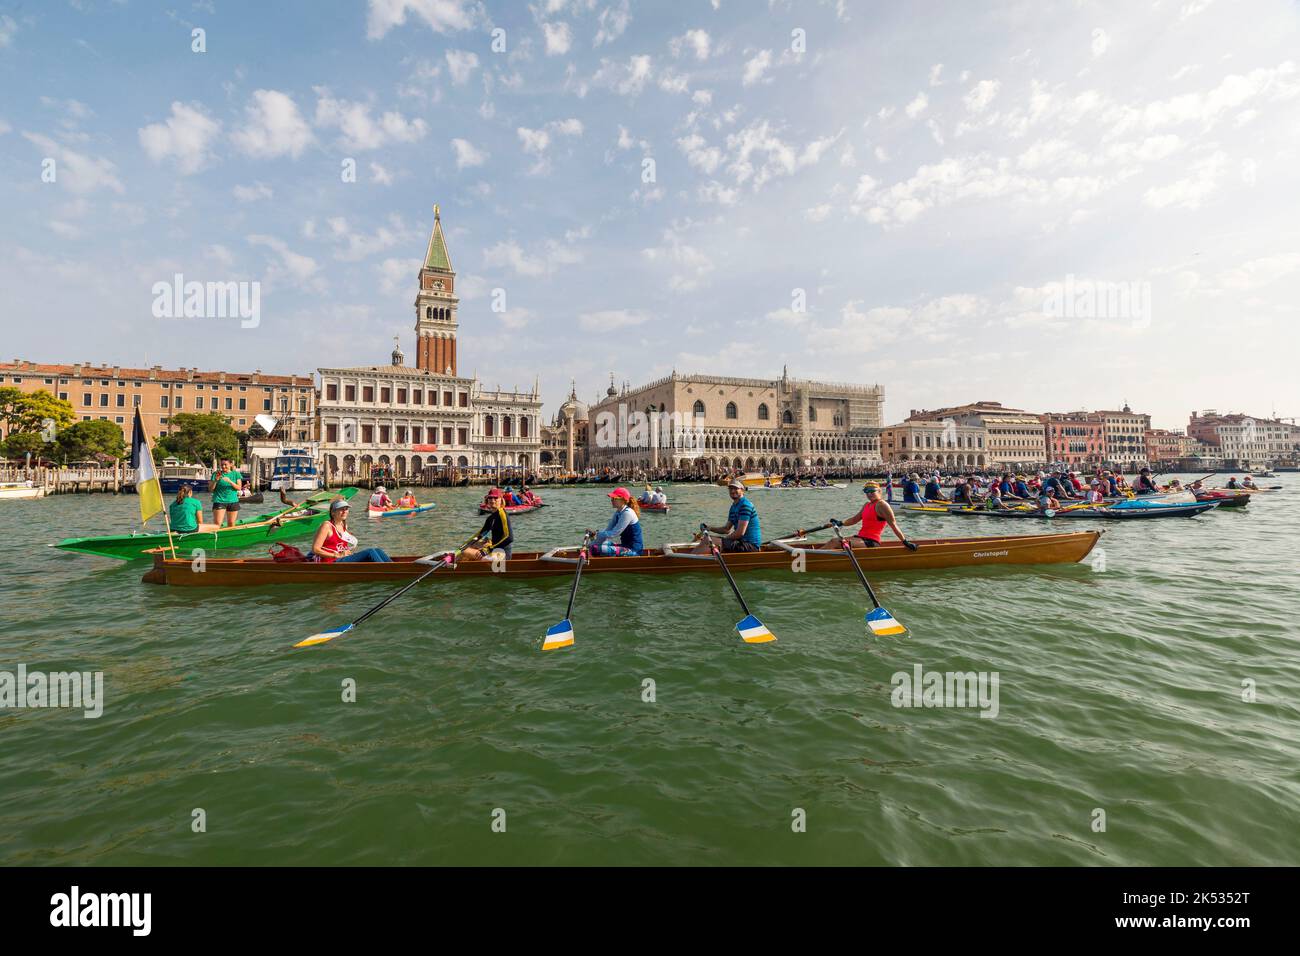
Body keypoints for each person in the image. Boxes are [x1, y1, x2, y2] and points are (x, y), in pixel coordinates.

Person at [823, 483, 918, 550]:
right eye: (866, 491)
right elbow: (854, 520)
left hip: (871, 541)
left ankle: (810, 560)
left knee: (834, 542)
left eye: (872, 491)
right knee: (832, 541)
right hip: (860, 537)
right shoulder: (866, 505)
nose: (869, 494)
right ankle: (813, 557)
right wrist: (840, 523)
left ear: (879, 491)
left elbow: (893, 525)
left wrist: (905, 542)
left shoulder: (882, 505)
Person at [309, 499, 392, 562]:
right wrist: (336, 555)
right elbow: (315, 549)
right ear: (333, 512)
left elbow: (341, 546)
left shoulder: (344, 525)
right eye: (341, 509)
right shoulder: (327, 526)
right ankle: (390, 571)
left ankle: (394, 568)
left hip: (343, 559)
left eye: (346, 509)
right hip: (331, 561)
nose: (345, 511)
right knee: (370, 552)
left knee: (377, 550)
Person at [693, 479, 761, 553]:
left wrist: (723, 540)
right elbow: (726, 529)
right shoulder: (733, 507)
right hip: (740, 543)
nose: (732, 491)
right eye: (730, 489)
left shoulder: (745, 505)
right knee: (707, 539)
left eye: (735, 488)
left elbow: (740, 533)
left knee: (709, 540)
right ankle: (693, 560)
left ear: (742, 490)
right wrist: (710, 528)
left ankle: (689, 561)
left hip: (750, 546)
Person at [589, 487, 644, 556]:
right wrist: (593, 543)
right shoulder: (618, 512)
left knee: (595, 549)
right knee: (597, 545)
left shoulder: (628, 513)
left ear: (623, 500)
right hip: (625, 546)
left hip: (634, 550)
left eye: (614, 498)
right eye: (611, 498)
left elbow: (614, 533)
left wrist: (598, 535)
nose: (611, 500)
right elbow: (608, 530)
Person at [464, 491, 514, 560]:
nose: (492, 500)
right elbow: (480, 535)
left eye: (495, 498)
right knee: (471, 545)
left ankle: (451, 567)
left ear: (501, 500)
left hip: (502, 556)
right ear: (487, 500)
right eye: (490, 497)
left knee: (465, 551)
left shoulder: (502, 514)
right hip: (495, 552)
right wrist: (465, 544)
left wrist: (489, 549)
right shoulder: (490, 518)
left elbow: (509, 538)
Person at [210, 458, 243, 527]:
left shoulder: (236, 474)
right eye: (222, 465)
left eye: (225, 464)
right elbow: (211, 489)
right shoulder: (216, 474)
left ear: (230, 464)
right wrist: (216, 480)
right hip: (219, 501)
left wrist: (230, 481)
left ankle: (230, 537)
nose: (223, 466)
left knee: (231, 523)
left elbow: (239, 488)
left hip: (233, 501)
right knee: (217, 524)